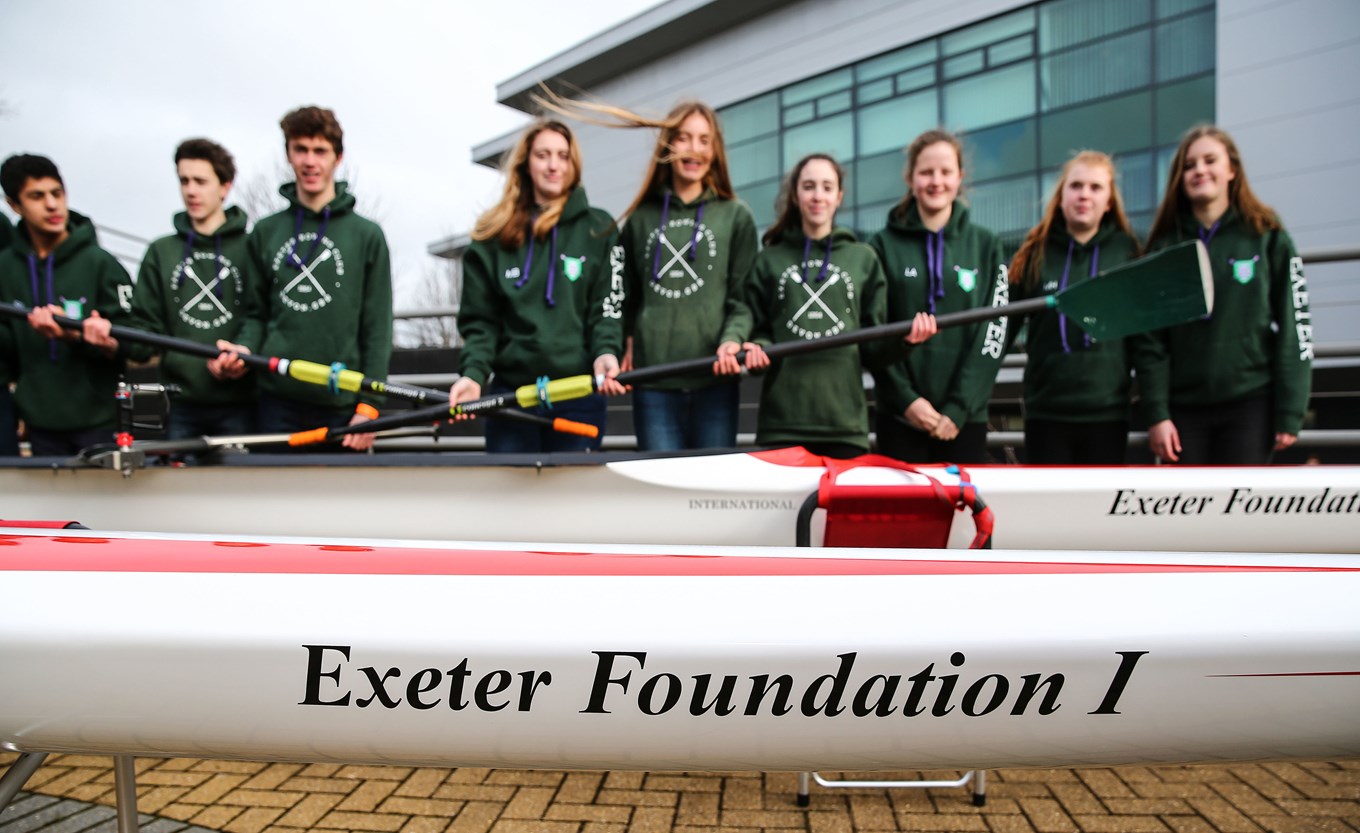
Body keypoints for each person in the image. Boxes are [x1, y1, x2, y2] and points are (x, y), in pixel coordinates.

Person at [558, 99, 757, 451]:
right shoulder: (640, 219)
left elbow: (742, 300)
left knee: (710, 490)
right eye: (683, 138)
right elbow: (624, 298)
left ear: (715, 151)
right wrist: (626, 339)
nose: (693, 149)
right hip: (653, 382)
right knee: (662, 488)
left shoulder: (735, 216)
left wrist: (733, 338)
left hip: (713, 380)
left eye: (703, 140)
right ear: (667, 145)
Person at [213, 106, 392, 451]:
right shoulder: (265, 232)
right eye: (301, 149)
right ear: (289, 155)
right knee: (271, 504)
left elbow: (377, 329)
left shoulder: (367, 235)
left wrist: (370, 406)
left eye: (320, 151)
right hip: (274, 402)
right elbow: (255, 315)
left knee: (339, 505)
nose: (310, 162)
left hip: (341, 406)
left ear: (337, 158)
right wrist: (242, 350)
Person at [1134, 125, 1312, 465]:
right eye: (1189, 165)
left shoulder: (1266, 233)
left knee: (1241, 515)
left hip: (1251, 404)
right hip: (1183, 412)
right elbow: (1150, 341)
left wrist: (1291, 408)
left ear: (1231, 169)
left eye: (1210, 160)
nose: (1199, 170)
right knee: (1186, 514)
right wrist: (1156, 414)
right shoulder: (1165, 245)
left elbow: (1296, 323)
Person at [741, 154, 935, 459]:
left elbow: (872, 347)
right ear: (795, 195)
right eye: (809, 186)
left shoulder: (864, 259)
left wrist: (905, 342)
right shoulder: (769, 260)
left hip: (844, 425)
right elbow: (758, 329)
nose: (818, 196)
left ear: (839, 196)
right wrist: (757, 349)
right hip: (782, 425)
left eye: (827, 187)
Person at [449, 120, 626, 453]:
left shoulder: (600, 228)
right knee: (510, 503)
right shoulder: (493, 234)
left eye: (562, 155)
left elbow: (608, 306)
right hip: (512, 398)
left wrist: (606, 352)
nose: (553, 165)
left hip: (578, 396)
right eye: (543, 155)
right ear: (526, 164)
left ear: (574, 164)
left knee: (572, 502)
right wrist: (472, 375)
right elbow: (481, 322)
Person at [869, 129, 1008, 464]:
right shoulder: (882, 246)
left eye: (945, 172)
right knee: (903, 516)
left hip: (963, 420)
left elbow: (995, 331)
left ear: (960, 177)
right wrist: (907, 401)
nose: (936, 181)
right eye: (926, 172)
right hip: (900, 417)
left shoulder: (987, 245)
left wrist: (959, 407)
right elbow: (873, 332)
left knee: (962, 516)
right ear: (910, 178)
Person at [1008, 151, 1141, 464]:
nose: (1084, 194)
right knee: (1049, 510)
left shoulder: (1127, 252)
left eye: (1095, 188)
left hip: (1107, 414)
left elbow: (1145, 337)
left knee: (1098, 511)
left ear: (1109, 202)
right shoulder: (1034, 252)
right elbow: (1000, 330)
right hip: (1046, 412)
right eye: (1076, 185)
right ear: (1062, 195)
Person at [0, 154, 132, 456]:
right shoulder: (5, 268)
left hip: (99, 421)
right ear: (14, 205)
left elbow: (137, 341)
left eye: (57, 193)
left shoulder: (100, 263)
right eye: (37, 196)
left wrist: (96, 338)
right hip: (39, 424)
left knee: (105, 504)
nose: (51, 205)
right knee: (52, 506)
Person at [123, 139, 254, 442]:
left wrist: (241, 355)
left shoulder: (251, 248)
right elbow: (144, 328)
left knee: (242, 488)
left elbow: (260, 317)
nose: (191, 191)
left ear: (224, 186)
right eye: (184, 181)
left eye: (201, 181)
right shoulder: (161, 252)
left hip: (241, 404)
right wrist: (111, 336)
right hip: (179, 403)